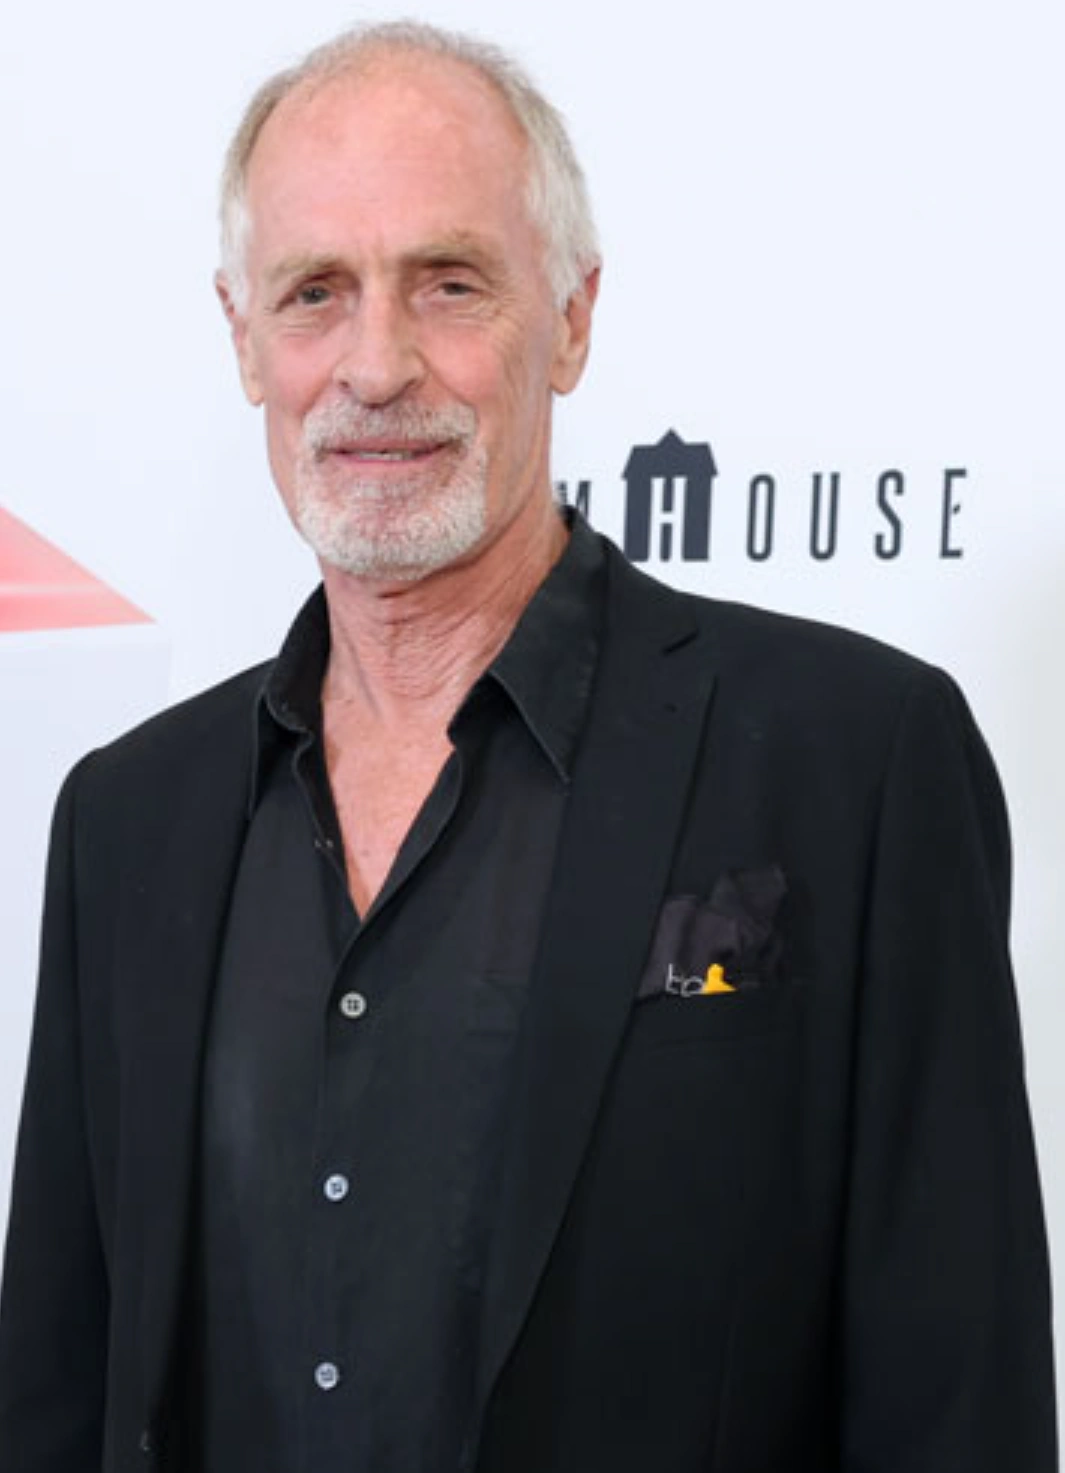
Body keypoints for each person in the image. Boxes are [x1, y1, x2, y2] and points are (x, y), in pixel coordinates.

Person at [0, 20, 1055, 1473]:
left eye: (449, 282)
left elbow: (962, 1402)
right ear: (245, 339)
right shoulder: (127, 819)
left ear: (570, 318)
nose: (377, 365)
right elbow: (56, 1394)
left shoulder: (854, 763)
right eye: (315, 293)